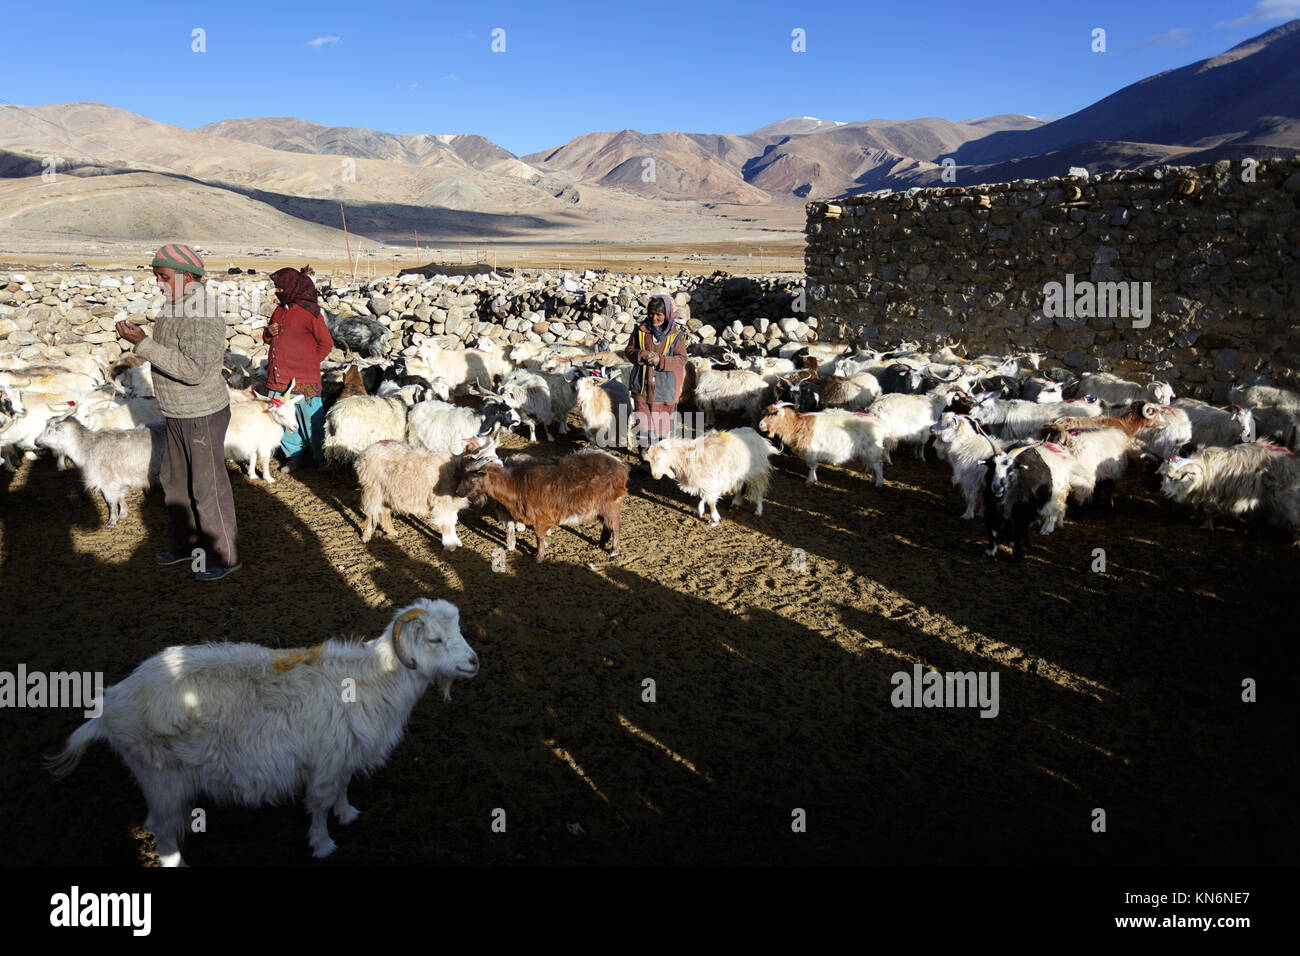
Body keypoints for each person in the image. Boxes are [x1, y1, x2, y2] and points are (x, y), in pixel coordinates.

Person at [115, 243, 240, 581]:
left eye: (163, 276)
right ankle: (188, 547)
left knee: (206, 486)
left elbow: (195, 370)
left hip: (200, 411)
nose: (157, 283)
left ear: (186, 277)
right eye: (157, 276)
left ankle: (222, 556)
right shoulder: (178, 304)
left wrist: (142, 344)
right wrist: (142, 342)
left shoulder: (200, 312)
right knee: (174, 482)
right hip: (177, 410)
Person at [264, 266, 333, 469]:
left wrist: (310, 364)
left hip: (304, 380)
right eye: (276, 288)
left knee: (311, 419)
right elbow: (269, 338)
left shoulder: (310, 313)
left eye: (280, 288)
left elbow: (326, 343)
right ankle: (294, 456)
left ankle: (321, 459)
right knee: (282, 418)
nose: (276, 291)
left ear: (292, 288)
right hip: (278, 377)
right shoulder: (278, 310)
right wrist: (268, 332)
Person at [624, 293, 688, 452]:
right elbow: (629, 351)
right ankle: (645, 459)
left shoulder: (676, 335)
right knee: (643, 424)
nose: (654, 318)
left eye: (659, 314)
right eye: (651, 313)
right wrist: (641, 354)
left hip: (665, 388)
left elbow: (682, 359)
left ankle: (662, 461)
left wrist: (661, 361)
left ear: (666, 315)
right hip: (642, 386)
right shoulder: (640, 330)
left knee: (663, 427)